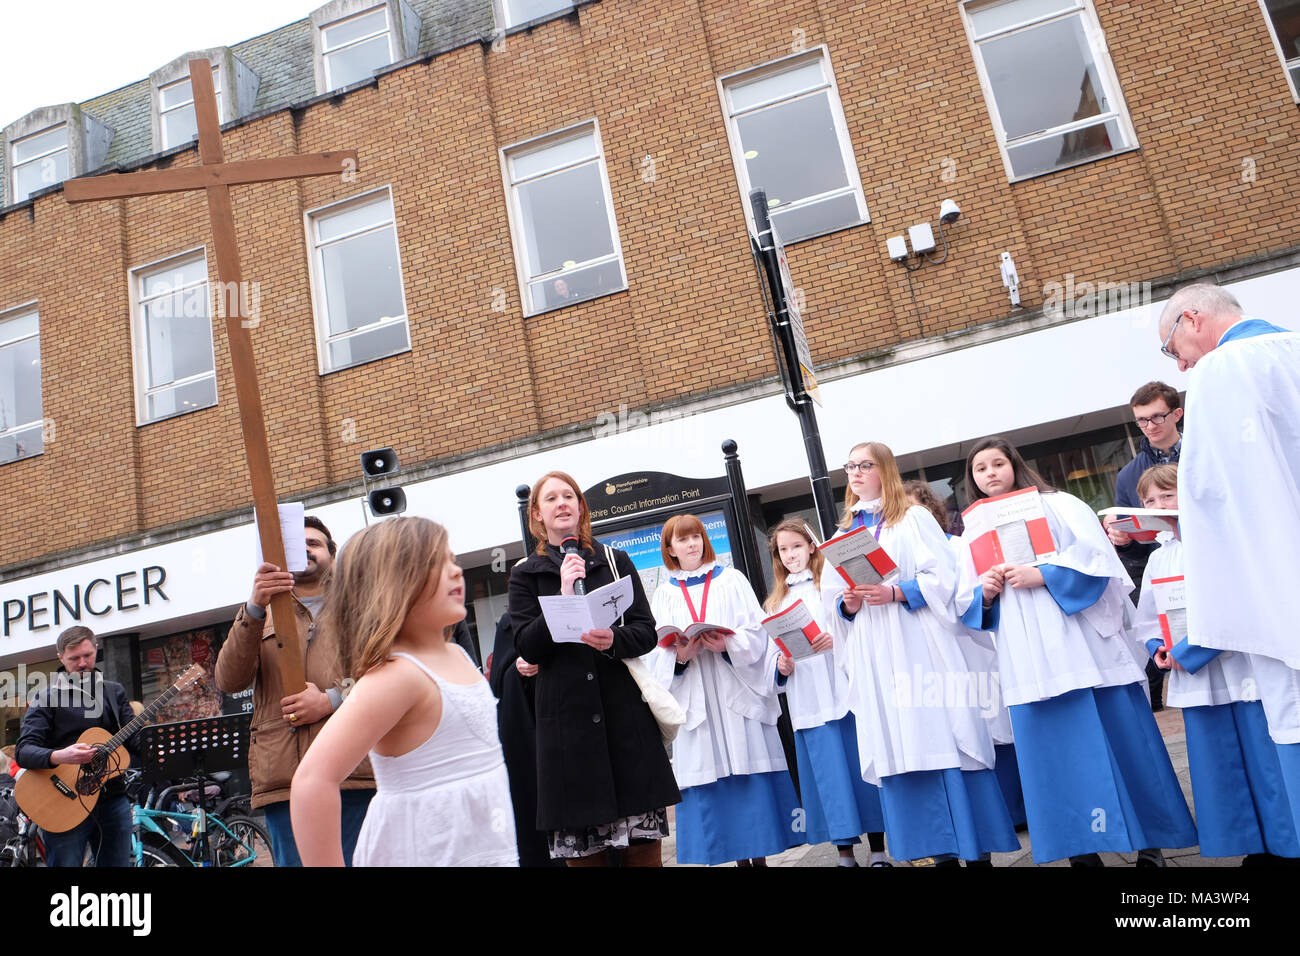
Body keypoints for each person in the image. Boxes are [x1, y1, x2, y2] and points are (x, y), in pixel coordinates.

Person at [955, 437, 1197, 866]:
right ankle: (1081, 854)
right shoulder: (971, 529)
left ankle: (1150, 846)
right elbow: (964, 599)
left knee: (1123, 746)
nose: (990, 473)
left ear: (1015, 464)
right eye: (980, 469)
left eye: (997, 463)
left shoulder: (1061, 504)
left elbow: (1099, 562)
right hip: (1027, 663)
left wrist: (1043, 573)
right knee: (1054, 765)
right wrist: (986, 593)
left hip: (1085, 651)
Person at [827, 443, 1017, 867]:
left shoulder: (911, 519)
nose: (855, 473)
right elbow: (831, 606)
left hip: (921, 646)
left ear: (885, 471)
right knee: (899, 743)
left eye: (864, 465)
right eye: (850, 466)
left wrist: (895, 591)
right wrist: (849, 604)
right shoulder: (841, 535)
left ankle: (976, 851)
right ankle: (940, 854)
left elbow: (946, 577)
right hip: (875, 652)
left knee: (943, 734)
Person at [1156, 282, 1300, 834]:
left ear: (1192, 319)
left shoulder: (1222, 370)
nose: (1183, 366)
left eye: (1174, 351)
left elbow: (1211, 489)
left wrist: (1177, 523)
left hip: (1279, 580)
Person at [291, 517, 517, 866]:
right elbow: (312, 781)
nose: (456, 572)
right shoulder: (397, 677)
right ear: (393, 584)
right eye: (437, 564)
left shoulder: (455, 654)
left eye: (453, 560)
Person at [509, 471, 680, 866]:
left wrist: (614, 640)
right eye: (551, 499)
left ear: (581, 508)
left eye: (569, 496)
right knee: (585, 856)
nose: (562, 503)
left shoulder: (614, 561)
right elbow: (526, 646)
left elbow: (646, 631)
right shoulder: (525, 575)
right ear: (537, 514)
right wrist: (564, 595)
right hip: (568, 733)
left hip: (625, 723)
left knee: (644, 853)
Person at [1132, 464, 1299, 864]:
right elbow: (1147, 618)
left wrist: (1187, 651)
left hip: (1243, 672)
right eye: (1151, 501)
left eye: (1167, 495)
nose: (1160, 505)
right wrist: (1159, 647)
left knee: (1264, 760)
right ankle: (1247, 846)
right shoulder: (1159, 559)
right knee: (1218, 766)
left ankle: (1284, 844)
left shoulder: (1224, 542)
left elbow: (1237, 605)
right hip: (1196, 681)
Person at [214, 515, 375, 867]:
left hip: (354, 770)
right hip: (286, 777)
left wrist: (330, 700)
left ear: (333, 554)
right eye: (294, 545)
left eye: (314, 543)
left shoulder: (361, 606)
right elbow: (228, 680)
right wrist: (255, 607)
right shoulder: (260, 614)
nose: (305, 549)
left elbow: (384, 676)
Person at [647, 513, 801, 866]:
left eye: (696, 536)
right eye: (683, 539)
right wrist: (681, 657)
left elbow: (757, 631)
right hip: (697, 699)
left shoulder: (731, 580)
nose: (692, 544)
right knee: (709, 775)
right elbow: (656, 655)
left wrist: (728, 646)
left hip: (735, 692)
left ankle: (759, 859)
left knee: (749, 770)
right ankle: (735, 860)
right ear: (669, 548)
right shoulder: (664, 593)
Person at [763, 519, 889, 866]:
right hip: (809, 701)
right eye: (783, 550)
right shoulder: (775, 602)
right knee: (830, 782)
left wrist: (838, 639)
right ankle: (845, 855)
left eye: (796, 547)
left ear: (812, 546)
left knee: (861, 773)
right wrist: (781, 667)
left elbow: (858, 627)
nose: (790, 555)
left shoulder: (829, 586)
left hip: (844, 694)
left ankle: (878, 851)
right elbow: (769, 656)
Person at [906, 479, 1026, 829]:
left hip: (972, 645)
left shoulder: (958, 546)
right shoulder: (905, 557)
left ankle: (1015, 809)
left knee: (993, 721)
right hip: (933, 653)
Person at [14, 626, 137, 867]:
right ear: (60, 657)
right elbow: (24, 750)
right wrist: (61, 756)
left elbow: (135, 737)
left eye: (88, 655)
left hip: (112, 798)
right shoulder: (46, 698)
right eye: (74, 658)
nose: (83, 663)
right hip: (63, 802)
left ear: (96, 649)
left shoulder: (113, 691)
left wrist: (165, 744)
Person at [1102, 381, 1185, 712]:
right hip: (1161, 567)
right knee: (1166, 636)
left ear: (1176, 414)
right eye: (1141, 420)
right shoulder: (1129, 475)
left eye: (1157, 417)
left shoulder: (1205, 451)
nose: (1150, 426)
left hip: (1209, 558)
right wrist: (1122, 539)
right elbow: (1133, 538)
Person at [488, 603, 563, 867]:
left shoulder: (566, 610)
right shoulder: (510, 621)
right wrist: (519, 667)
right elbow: (499, 678)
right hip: (529, 736)